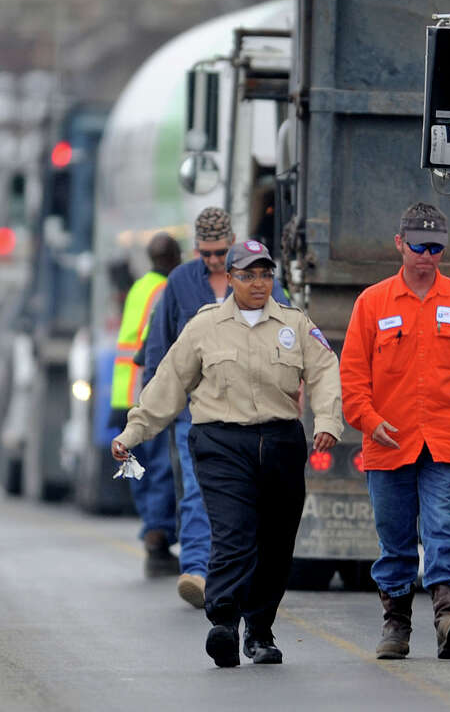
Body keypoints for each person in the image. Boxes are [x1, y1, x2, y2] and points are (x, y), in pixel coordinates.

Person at [113, 240, 341, 667]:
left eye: (265, 275)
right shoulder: (205, 326)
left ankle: (259, 631)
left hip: (279, 443)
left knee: (275, 543)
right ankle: (223, 622)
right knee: (234, 533)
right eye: (249, 275)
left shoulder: (294, 323)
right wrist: (134, 431)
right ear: (231, 279)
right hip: (221, 443)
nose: (259, 283)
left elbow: (326, 371)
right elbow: (168, 382)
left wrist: (328, 422)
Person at [338, 202, 450, 661]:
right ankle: (396, 625)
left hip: (447, 439)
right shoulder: (372, 304)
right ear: (399, 244)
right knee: (394, 537)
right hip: (389, 443)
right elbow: (351, 379)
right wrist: (371, 422)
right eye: (418, 247)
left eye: (436, 248)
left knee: (443, 529)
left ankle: (448, 616)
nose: (427, 256)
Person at [141, 207, 290, 610]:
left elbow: (293, 332)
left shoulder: (259, 280)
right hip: (197, 413)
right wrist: (148, 409)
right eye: (205, 253)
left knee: (249, 497)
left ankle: (240, 573)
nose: (211, 260)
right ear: (195, 249)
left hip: (254, 414)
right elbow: (159, 349)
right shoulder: (179, 284)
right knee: (196, 490)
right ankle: (196, 572)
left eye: (219, 252)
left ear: (233, 244)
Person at [109, 232, 183, 577]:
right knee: (160, 468)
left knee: (139, 467)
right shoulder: (166, 290)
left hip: (124, 393)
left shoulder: (141, 287)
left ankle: (154, 533)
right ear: (172, 259)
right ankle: (157, 534)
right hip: (147, 393)